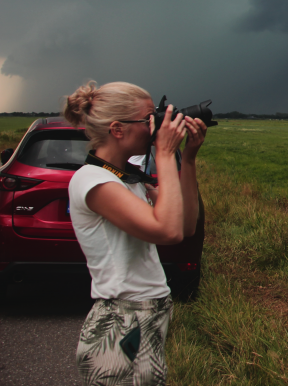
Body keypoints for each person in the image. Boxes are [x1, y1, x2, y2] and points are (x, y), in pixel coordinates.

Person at [62, 81, 204, 386]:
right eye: (147, 120)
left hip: (145, 317)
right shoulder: (92, 181)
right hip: (121, 322)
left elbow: (186, 226)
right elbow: (167, 232)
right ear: (117, 129)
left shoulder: (127, 179)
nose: (154, 126)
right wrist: (164, 154)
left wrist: (188, 159)